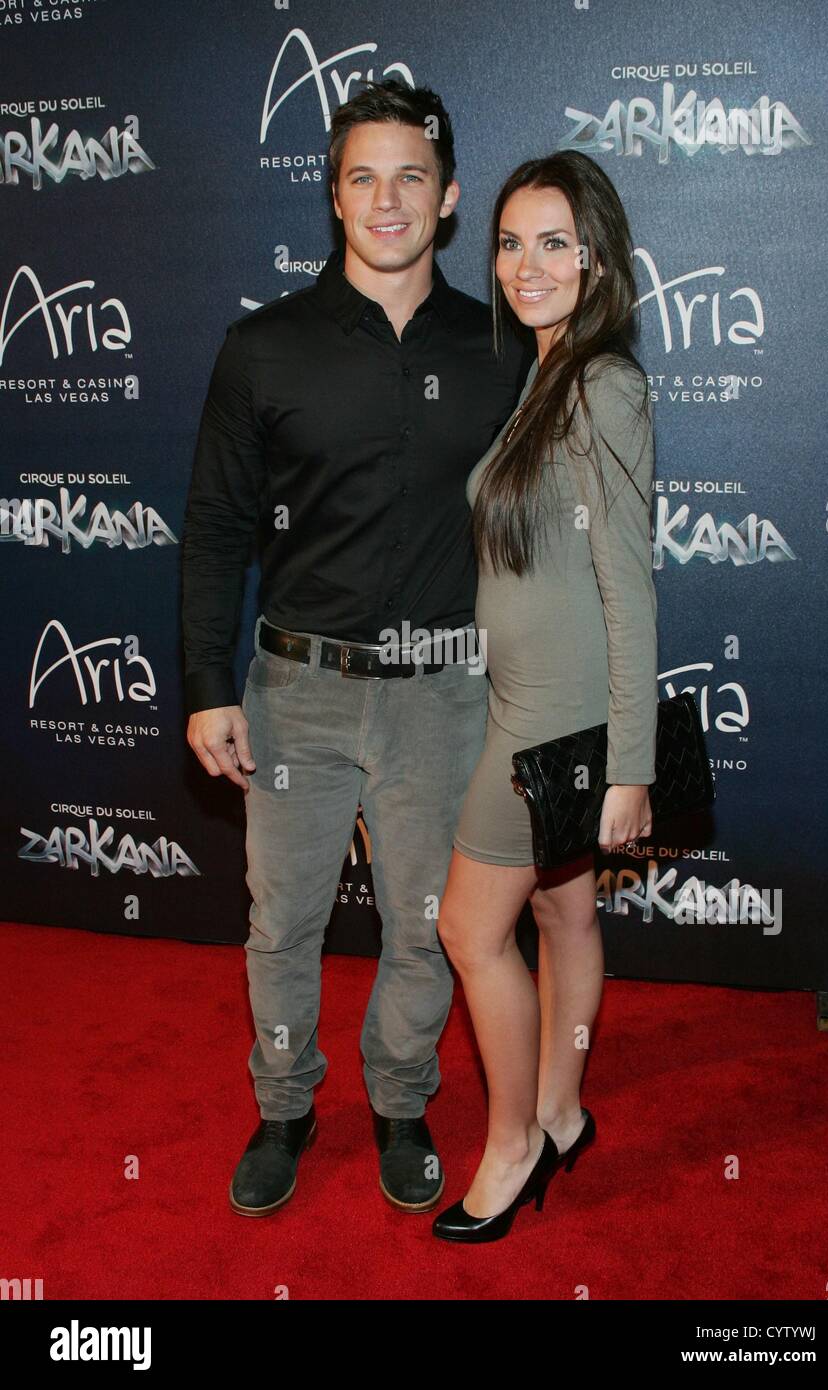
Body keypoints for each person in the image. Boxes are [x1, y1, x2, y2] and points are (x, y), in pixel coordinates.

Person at [181, 79, 533, 1218]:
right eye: (362, 176)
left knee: (429, 927)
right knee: (280, 922)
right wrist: (203, 687)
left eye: (410, 176)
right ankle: (284, 1107)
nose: (387, 199)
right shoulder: (261, 347)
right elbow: (217, 528)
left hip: (444, 697)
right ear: (333, 197)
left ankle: (399, 1102)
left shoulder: (500, 351)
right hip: (296, 693)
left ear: (448, 199)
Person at [431, 151, 658, 1242]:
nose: (526, 265)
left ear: (598, 257)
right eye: (510, 242)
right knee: (565, 912)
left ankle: (514, 1143)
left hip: (551, 715)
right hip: (521, 697)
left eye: (554, 242)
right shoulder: (546, 366)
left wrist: (628, 764)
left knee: (469, 928)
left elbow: (626, 579)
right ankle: (563, 1110)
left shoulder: (602, 383)